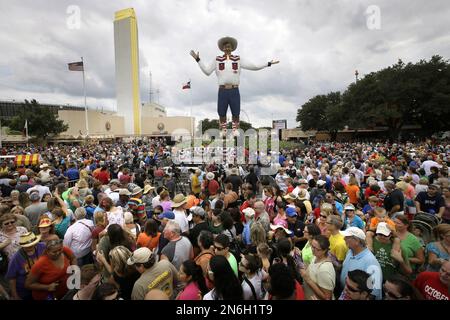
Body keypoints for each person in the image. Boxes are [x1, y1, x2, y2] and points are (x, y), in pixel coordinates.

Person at [190, 36, 279, 136]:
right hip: (222, 89)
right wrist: (198, 60)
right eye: (225, 47)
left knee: (236, 112)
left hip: (234, 89)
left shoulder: (238, 59)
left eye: (229, 46)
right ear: (222, 48)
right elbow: (207, 71)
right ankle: (223, 129)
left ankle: (235, 128)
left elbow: (254, 66)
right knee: (221, 112)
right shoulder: (217, 59)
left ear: (232, 48)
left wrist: (268, 63)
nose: (227, 48)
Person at [340, 227, 383, 300]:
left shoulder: (371, 263)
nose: (344, 239)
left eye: (347, 237)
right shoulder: (350, 252)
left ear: (356, 241)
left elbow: (373, 294)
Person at [6, 232, 46, 300]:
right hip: (25, 291)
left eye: (32, 244)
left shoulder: (43, 246)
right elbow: (12, 278)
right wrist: (15, 296)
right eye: (27, 246)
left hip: (42, 285)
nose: (30, 247)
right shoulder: (16, 258)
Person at [299, 235, 336, 300]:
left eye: (316, 249)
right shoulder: (316, 256)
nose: (312, 250)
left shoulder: (324, 270)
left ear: (324, 250)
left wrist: (308, 280)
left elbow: (327, 297)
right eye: (312, 246)